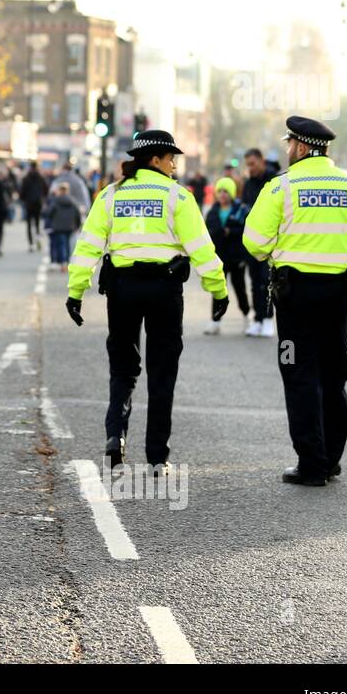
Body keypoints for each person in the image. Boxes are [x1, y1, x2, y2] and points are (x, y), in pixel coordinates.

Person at [66, 130, 228, 473]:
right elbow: (202, 249)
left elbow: (88, 247)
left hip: (122, 289)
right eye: (171, 158)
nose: (174, 165)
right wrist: (218, 290)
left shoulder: (110, 195)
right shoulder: (178, 197)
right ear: (155, 159)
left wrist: (75, 291)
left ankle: (115, 438)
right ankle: (157, 456)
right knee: (162, 372)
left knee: (122, 367)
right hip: (164, 291)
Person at [243, 116, 347, 486]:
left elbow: (253, 241)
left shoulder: (280, 188)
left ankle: (312, 464)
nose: (288, 150)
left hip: (296, 297)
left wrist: (282, 250)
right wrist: (340, 252)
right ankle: (331, 459)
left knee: (299, 375)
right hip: (338, 295)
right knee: (334, 376)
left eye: (290, 144)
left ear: (302, 147)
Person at [202, 176, 251, 335]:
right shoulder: (212, 212)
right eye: (220, 191)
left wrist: (231, 231)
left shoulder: (240, 210)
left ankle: (247, 317)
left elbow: (245, 231)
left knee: (239, 289)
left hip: (236, 258)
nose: (222, 194)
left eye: (226, 191)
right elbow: (207, 232)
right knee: (217, 290)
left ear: (231, 193)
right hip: (219, 258)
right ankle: (215, 321)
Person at [241, 148, 278, 337]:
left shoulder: (275, 181)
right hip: (253, 241)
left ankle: (268, 319)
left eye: (253, 164)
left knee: (268, 281)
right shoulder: (248, 184)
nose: (250, 168)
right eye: (248, 165)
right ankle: (257, 319)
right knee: (255, 282)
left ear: (262, 161)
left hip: (271, 242)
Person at [42, 181, 81, 271]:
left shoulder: (56, 201)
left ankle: (62, 261)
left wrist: (50, 221)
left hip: (58, 226)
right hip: (70, 226)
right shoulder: (73, 201)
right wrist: (77, 225)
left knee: (61, 244)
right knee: (67, 244)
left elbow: (49, 213)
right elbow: (77, 214)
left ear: (60, 190)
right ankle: (66, 262)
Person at [20, 163, 48, 252]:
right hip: (38, 204)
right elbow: (46, 190)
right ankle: (38, 240)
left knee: (29, 225)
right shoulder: (41, 178)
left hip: (29, 204)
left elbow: (22, 192)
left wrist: (24, 199)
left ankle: (31, 244)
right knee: (37, 224)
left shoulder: (26, 179)